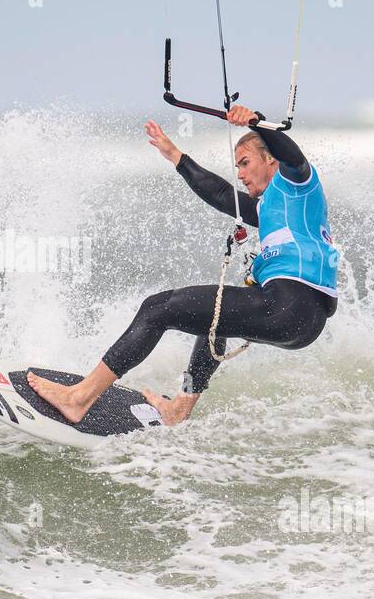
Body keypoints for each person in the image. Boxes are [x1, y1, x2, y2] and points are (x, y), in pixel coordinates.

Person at [28, 104, 338, 425]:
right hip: (305, 324)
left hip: (289, 304)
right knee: (216, 319)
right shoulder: (269, 208)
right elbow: (220, 194)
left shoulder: (299, 185)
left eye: (246, 163)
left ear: (270, 158)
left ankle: (78, 398)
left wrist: (258, 124)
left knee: (157, 308)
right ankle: (180, 408)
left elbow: (293, 155)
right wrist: (175, 154)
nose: (241, 173)